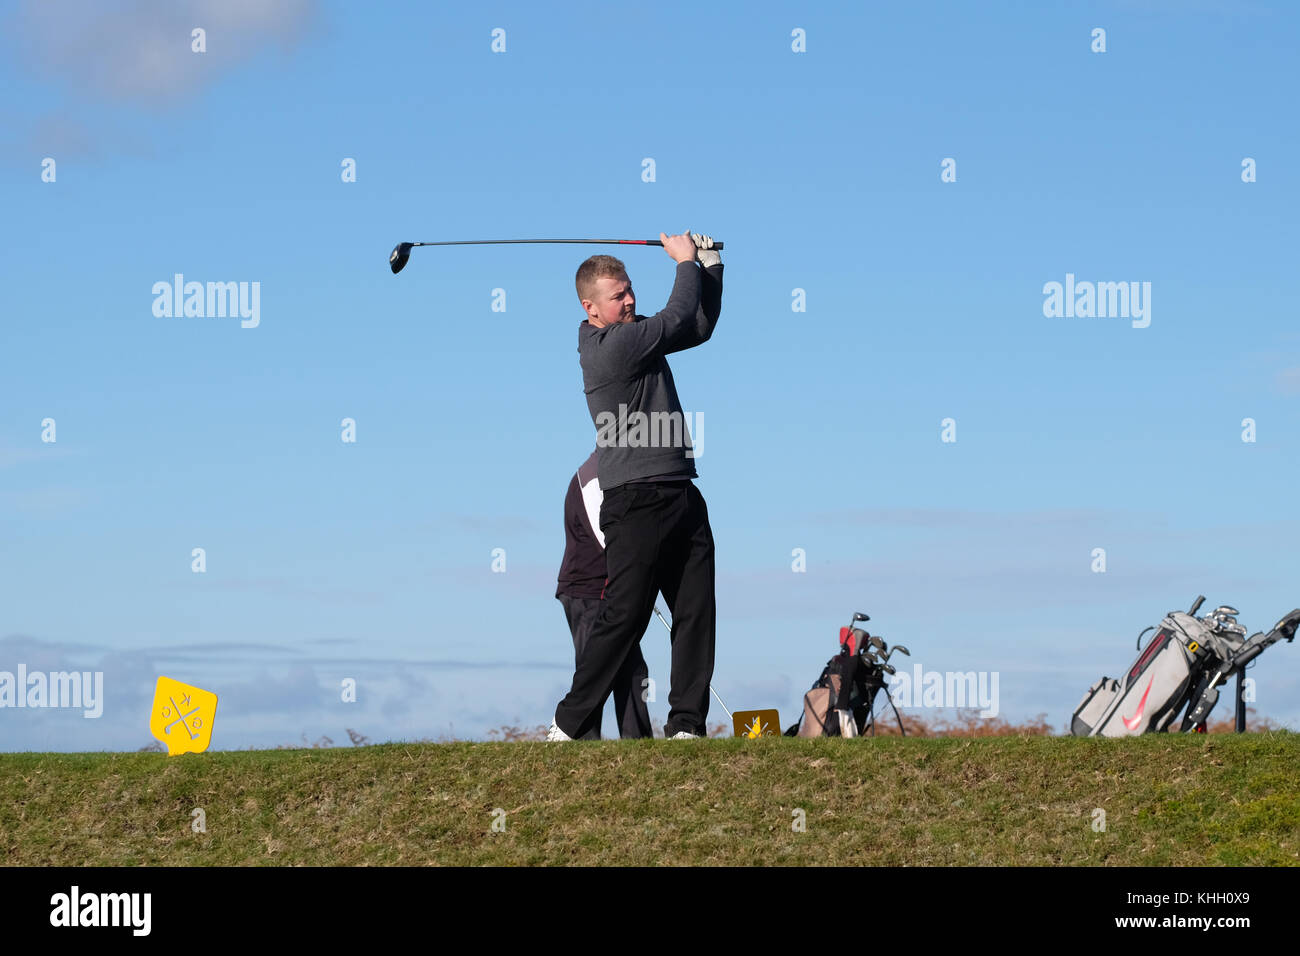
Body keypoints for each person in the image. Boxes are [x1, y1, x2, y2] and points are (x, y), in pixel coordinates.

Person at [549, 228, 723, 741]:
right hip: (634, 500)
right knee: (625, 616)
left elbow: (698, 324)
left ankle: (687, 725)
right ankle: (568, 721)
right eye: (618, 295)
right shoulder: (609, 348)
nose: (629, 300)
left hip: (680, 491)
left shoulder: (635, 332)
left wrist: (709, 265)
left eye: (629, 290)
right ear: (591, 308)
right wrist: (684, 261)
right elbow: (675, 316)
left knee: (696, 611)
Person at [555, 449, 653, 739]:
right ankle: (583, 744)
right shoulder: (593, 478)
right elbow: (608, 539)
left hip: (612, 592)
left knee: (633, 669)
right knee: (594, 671)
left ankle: (639, 745)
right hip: (585, 591)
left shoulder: (616, 472)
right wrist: (640, 572)